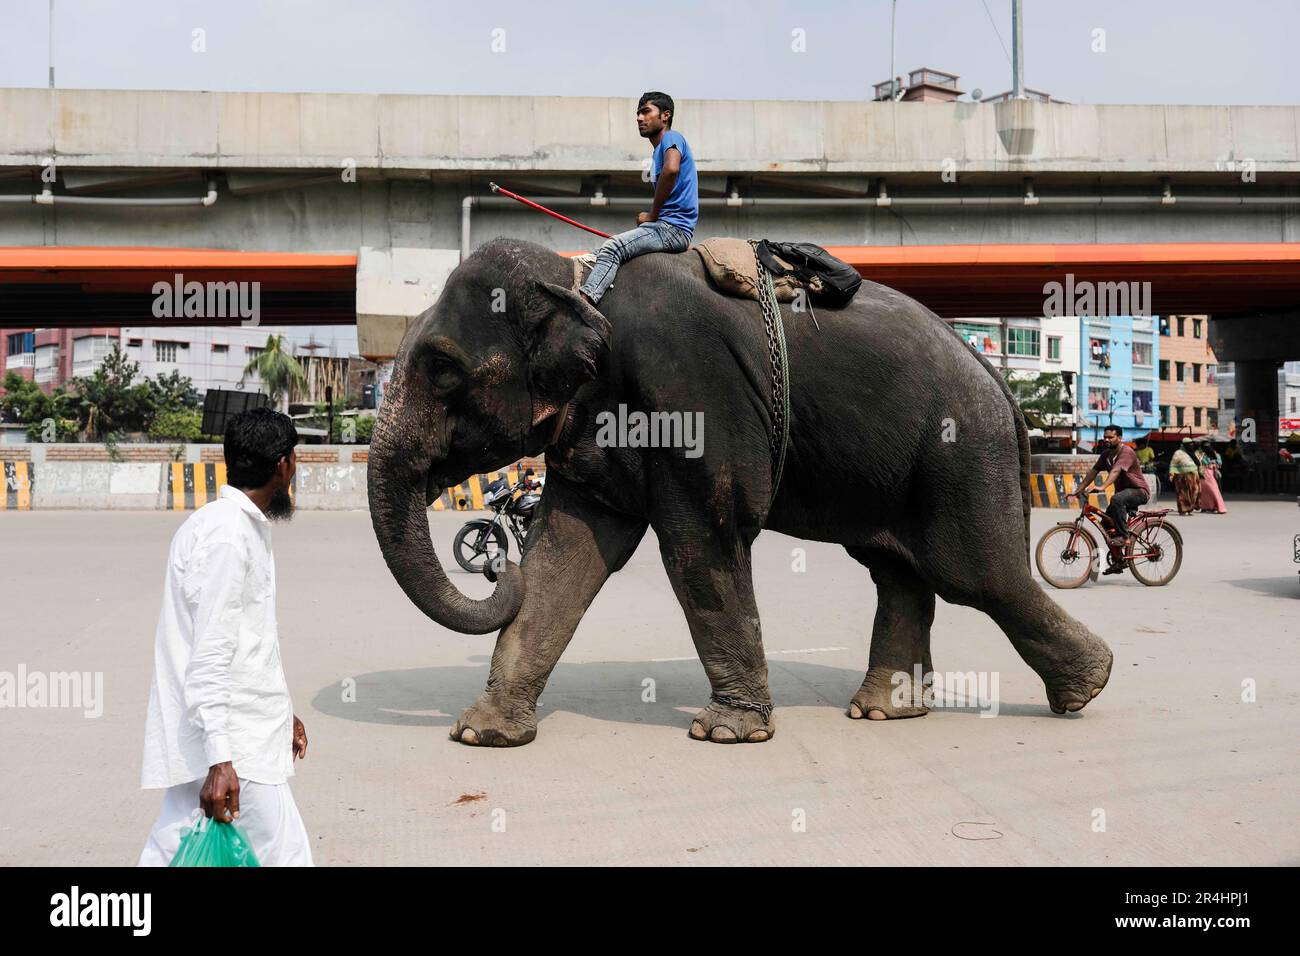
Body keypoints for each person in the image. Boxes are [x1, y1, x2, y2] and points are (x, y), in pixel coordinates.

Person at [138, 408, 313, 866]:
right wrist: (221, 760)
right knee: (287, 857)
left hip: (226, 735)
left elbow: (247, 643)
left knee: (171, 849)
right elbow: (211, 653)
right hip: (235, 749)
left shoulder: (221, 524)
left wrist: (282, 712)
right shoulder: (229, 537)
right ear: (283, 465)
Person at [579, 91, 698, 308]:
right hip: (666, 227)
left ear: (665, 115)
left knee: (613, 248)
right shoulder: (656, 152)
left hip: (672, 229)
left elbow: (671, 170)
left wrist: (652, 215)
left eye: (646, 112)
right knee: (597, 255)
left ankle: (583, 305)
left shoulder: (672, 137)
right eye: (637, 114)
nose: (639, 118)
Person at [1067, 424, 1150, 575]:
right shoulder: (1106, 455)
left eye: (1110, 437)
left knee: (1117, 499)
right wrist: (1076, 491)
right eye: (1105, 437)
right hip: (1123, 495)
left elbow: (1117, 470)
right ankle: (1119, 560)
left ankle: (1124, 537)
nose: (1106, 439)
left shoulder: (1127, 452)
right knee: (1106, 523)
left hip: (1139, 491)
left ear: (1119, 438)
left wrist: (1102, 486)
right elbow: (1092, 473)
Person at [1168, 437, 1202, 516]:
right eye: (1188, 444)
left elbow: (1198, 463)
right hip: (1181, 476)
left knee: (1194, 492)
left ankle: (1190, 508)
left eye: (1191, 443)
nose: (1191, 445)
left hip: (1194, 475)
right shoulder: (1178, 453)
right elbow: (1173, 464)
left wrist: (1201, 473)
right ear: (1184, 445)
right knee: (1183, 494)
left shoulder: (1193, 453)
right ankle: (1183, 509)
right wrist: (1171, 474)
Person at [1196, 440, 1227, 514]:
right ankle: (1207, 507)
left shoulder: (1214, 454)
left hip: (1210, 473)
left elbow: (1219, 463)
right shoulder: (1200, 454)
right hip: (1203, 473)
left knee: (1214, 490)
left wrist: (1213, 464)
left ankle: (1220, 507)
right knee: (1205, 491)